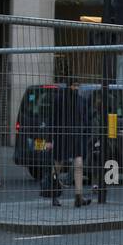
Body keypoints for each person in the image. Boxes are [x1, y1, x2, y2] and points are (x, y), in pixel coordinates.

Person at [50, 80, 91, 208]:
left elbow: (85, 119)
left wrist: (85, 132)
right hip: (62, 136)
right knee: (58, 166)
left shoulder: (81, 100)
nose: (76, 87)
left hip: (76, 137)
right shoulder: (59, 99)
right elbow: (53, 119)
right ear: (69, 85)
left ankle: (78, 197)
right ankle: (54, 195)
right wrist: (50, 139)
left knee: (78, 164)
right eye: (74, 85)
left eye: (78, 85)